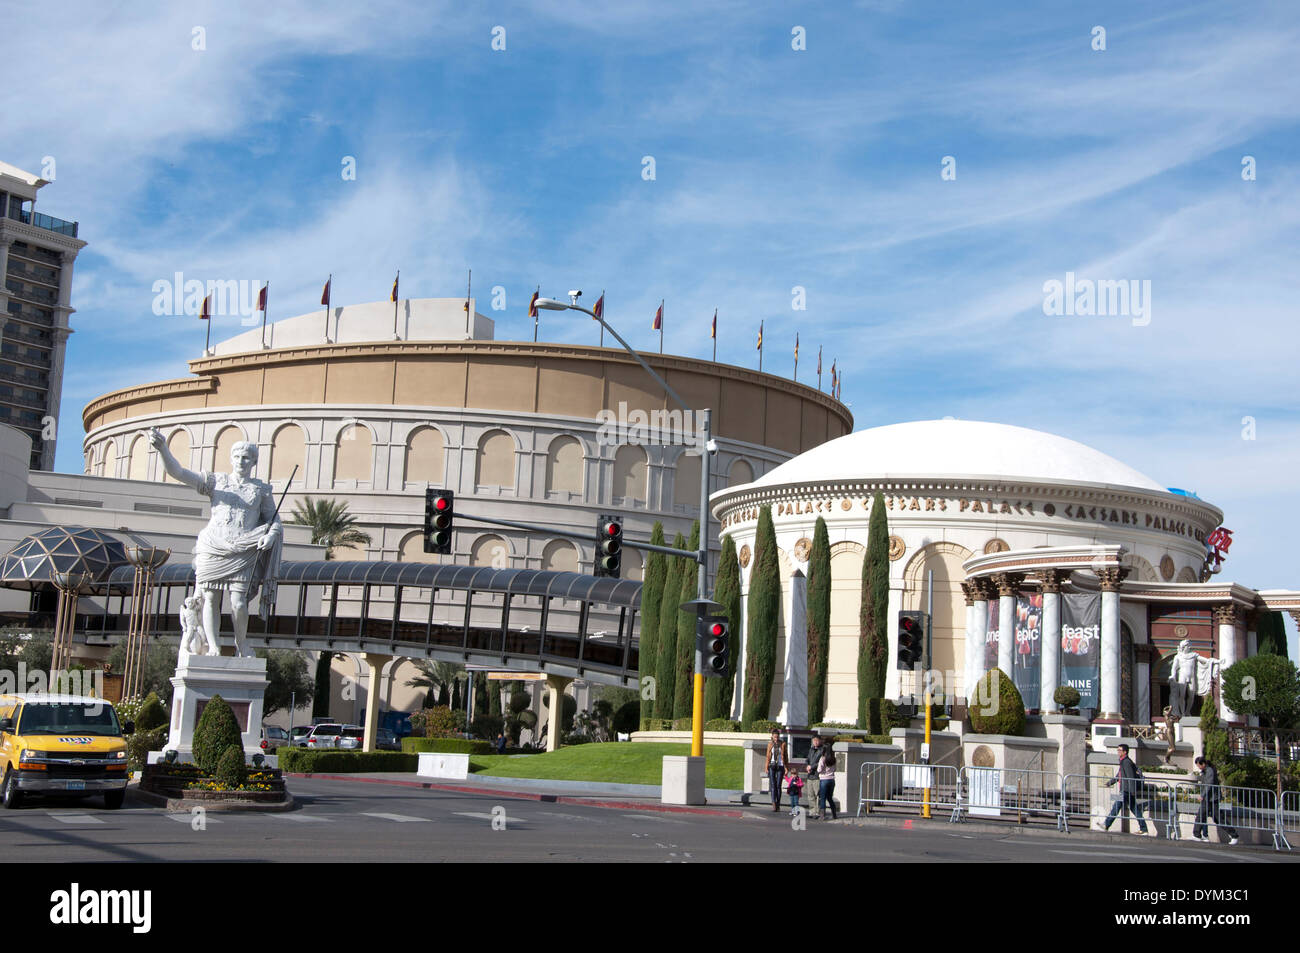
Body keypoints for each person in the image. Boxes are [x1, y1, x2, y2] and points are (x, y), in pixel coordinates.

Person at [149, 427, 282, 657]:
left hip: (243, 549)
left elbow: (274, 521)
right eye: (238, 456)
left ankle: (242, 643)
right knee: (210, 598)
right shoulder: (215, 481)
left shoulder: (261, 490)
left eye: (247, 457)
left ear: (254, 462)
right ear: (231, 459)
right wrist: (162, 449)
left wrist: (270, 536)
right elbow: (179, 472)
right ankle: (214, 646)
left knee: (239, 603)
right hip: (213, 546)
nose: (241, 461)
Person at [1103, 743, 1149, 834]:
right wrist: (1110, 783)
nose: (1118, 752)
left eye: (1120, 750)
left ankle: (1106, 824)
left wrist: (1132, 791)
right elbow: (1119, 775)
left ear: (1125, 752)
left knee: (1116, 807)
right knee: (1135, 809)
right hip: (1126, 790)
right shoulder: (1123, 761)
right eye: (1118, 750)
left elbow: (1130, 777)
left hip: (1126, 790)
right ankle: (1143, 829)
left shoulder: (1126, 762)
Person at [1192, 756, 1239, 845]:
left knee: (1218, 818)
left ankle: (1234, 835)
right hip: (1208, 798)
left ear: (1203, 764)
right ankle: (1196, 834)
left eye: (1199, 765)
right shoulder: (1205, 771)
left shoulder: (1209, 771)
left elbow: (1209, 784)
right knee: (1201, 815)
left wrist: (1202, 795)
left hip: (1212, 798)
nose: (1198, 767)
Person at [764, 729, 788, 813]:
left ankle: (778, 803)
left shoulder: (783, 744)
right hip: (772, 765)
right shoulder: (770, 744)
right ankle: (774, 803)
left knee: (778, 785)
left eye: (777, 737)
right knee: (773, 785)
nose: (776, 738)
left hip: (780, 765)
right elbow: (768, 756)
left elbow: (785, 756)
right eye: (774, 737)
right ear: (772, 736)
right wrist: (766, 767)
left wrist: (786, 767)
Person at [805, 734, 826, 813]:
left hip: (817, 775)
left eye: (817, 740)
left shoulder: (822, 750)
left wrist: (812, 767)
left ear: (820, 741)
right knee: (810, 795)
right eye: (814, 740)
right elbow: (807, 759)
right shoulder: (811, 750)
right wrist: (807, 766)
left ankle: (818, 811)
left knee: (818, 794)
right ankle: (812, 811)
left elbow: (821, 762)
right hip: (810, 775)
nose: (815, 742)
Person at [816, 747, 838, 820]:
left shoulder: (822, 759)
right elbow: (835, 769)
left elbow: (819, 770)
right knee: (830, 798)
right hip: (832, 780)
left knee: (823, 798)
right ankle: (834, 814)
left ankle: (822, 815)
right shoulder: (833, 759)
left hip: (824, 779)